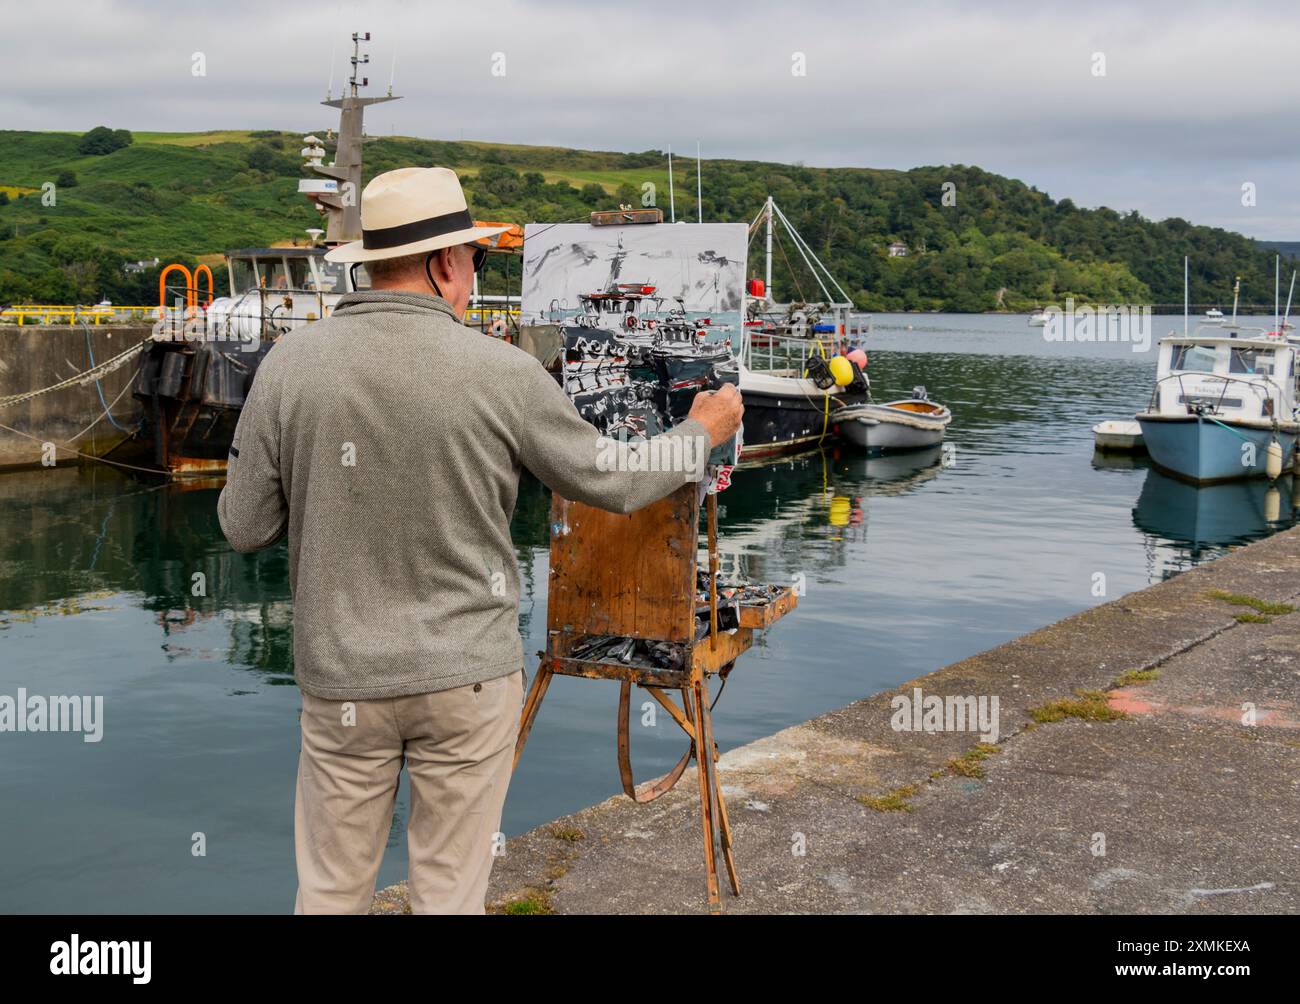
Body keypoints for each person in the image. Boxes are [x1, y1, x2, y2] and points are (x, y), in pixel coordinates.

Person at [217, 166, 743, 914]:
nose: (472, 276)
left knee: (331, 892)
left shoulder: (288, 365)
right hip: (465, 679)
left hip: (341, 680)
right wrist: (700, 431)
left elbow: (244, 528)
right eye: (474, 260)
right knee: (447, 896)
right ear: (442, 265)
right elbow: (617, 482)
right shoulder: (505, 373)